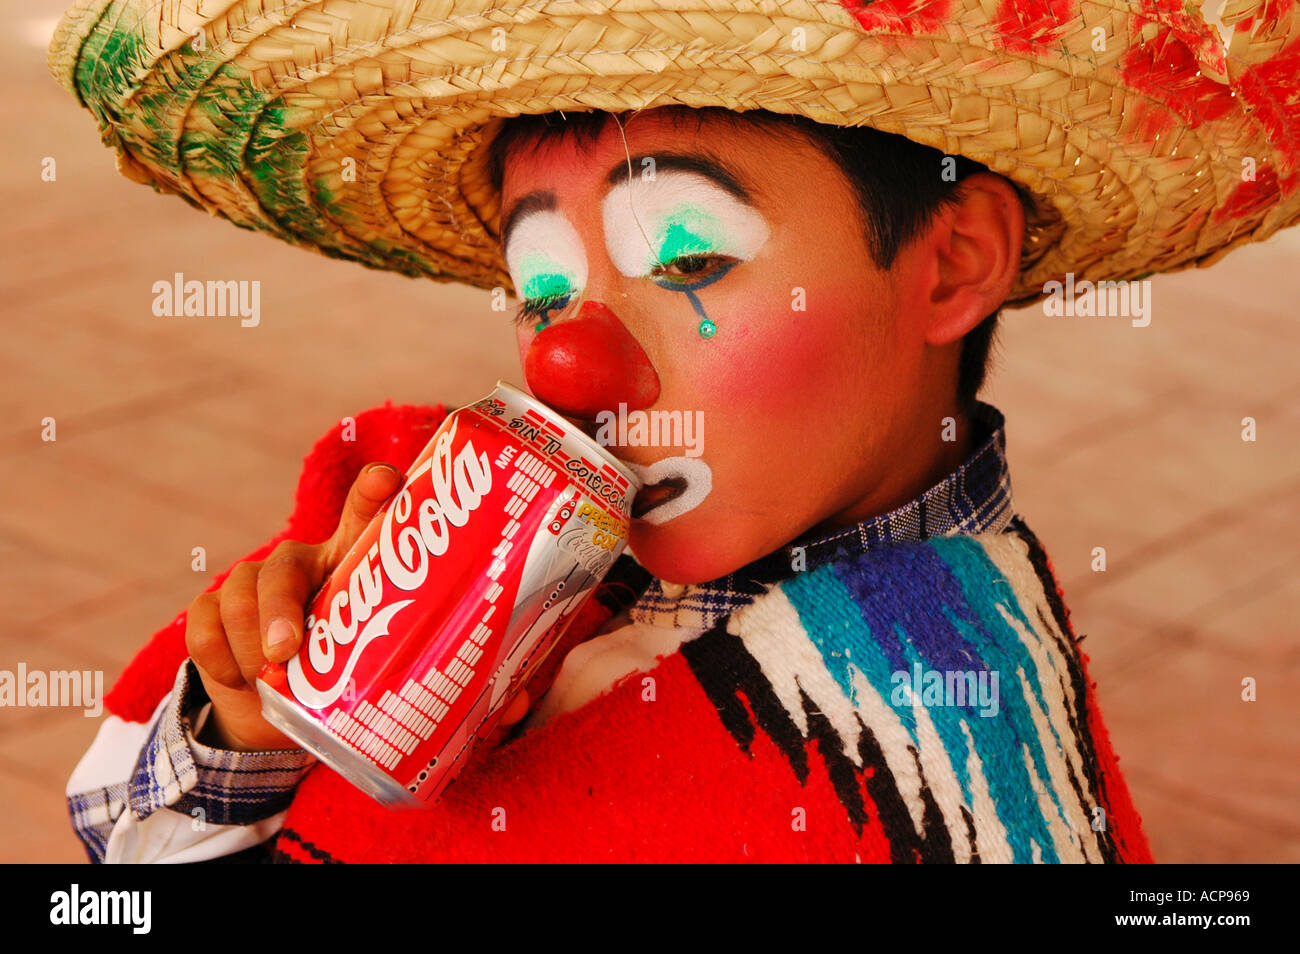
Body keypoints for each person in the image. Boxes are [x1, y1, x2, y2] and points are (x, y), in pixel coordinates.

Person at [48, 0, 1297, 863]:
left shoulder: (952, 777)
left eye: (690, 259)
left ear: (952, 260)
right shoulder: (448, 547)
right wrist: (242, 732)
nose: (573, 361)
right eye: (542, 292)